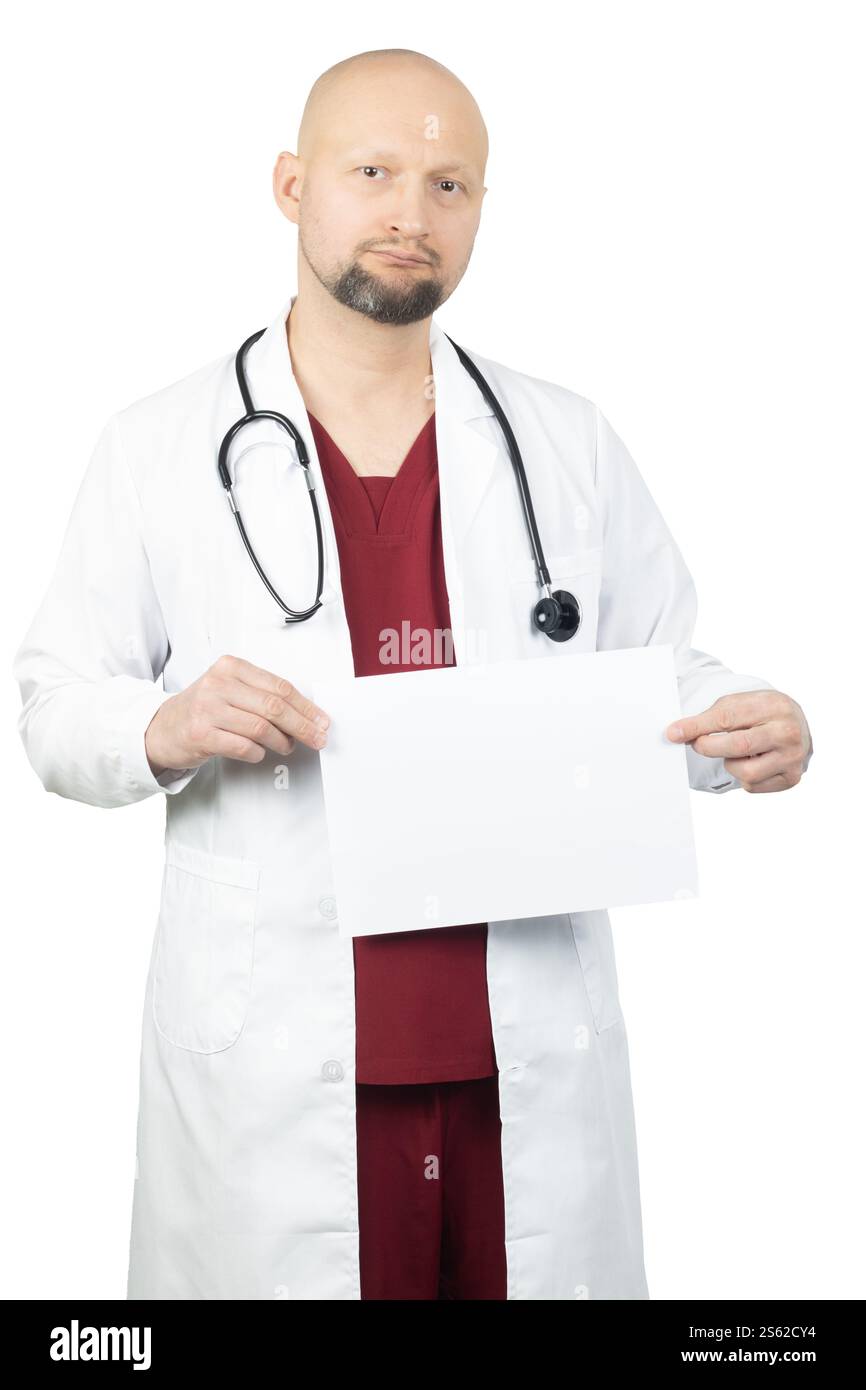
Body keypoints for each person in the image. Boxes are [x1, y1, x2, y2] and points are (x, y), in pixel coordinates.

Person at [12, 47, 813, 1301]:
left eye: (450, 184)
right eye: (373, 170)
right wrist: (165, 724)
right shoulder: (158, 447)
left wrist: (740, 726)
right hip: (275, 1062)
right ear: (290, 185)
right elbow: (55, 705)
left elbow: (654, 665)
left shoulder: (562, 438)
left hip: (520, 1065)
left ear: (481, 213)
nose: (408, 212)